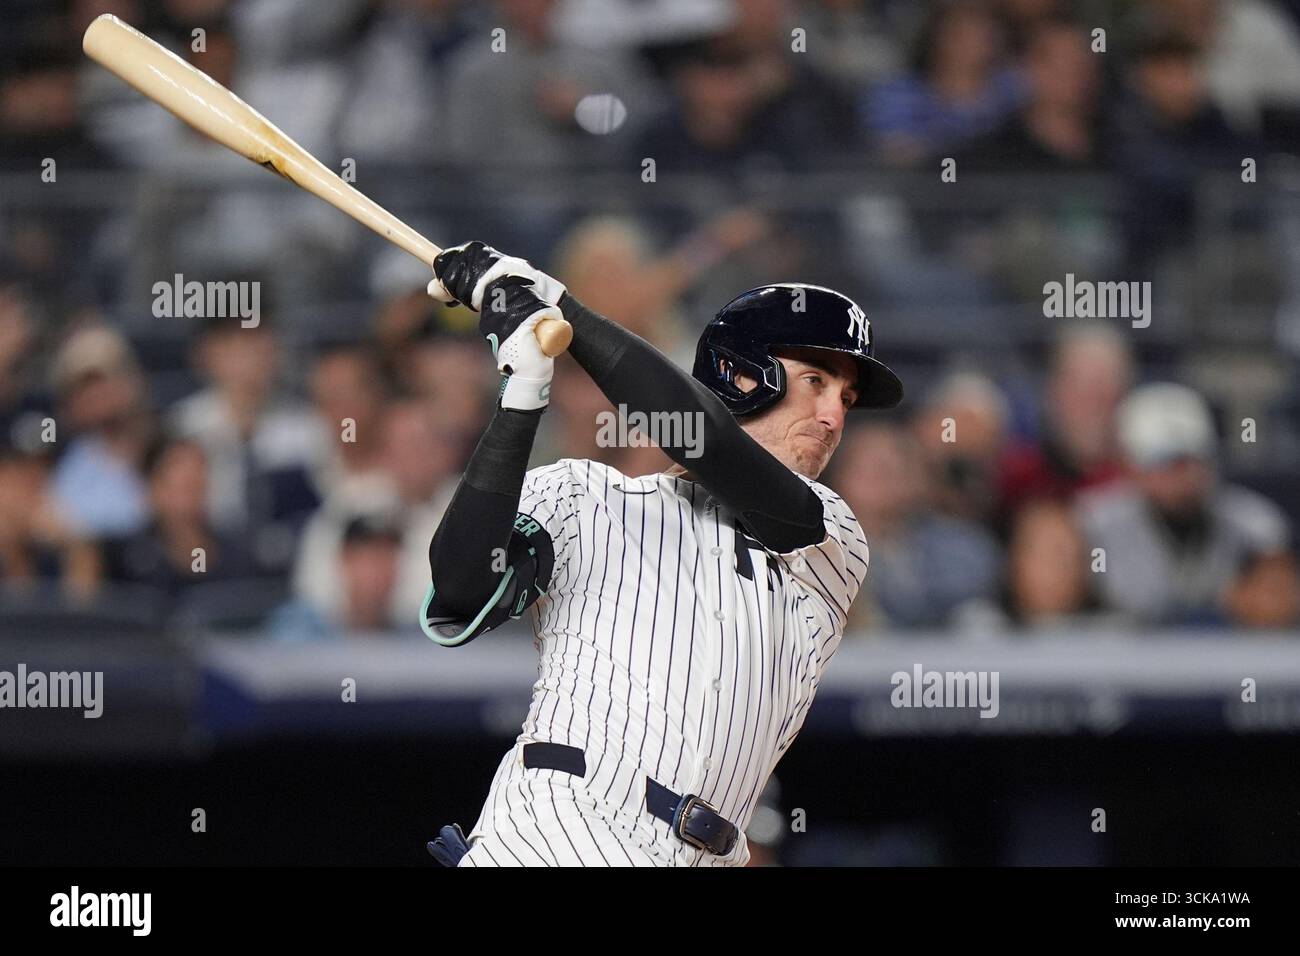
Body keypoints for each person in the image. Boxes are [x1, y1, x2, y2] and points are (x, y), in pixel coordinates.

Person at [420, 240, 902, 867]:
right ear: (741, 374)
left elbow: (703, 438)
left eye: (847, 398)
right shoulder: (582, 493)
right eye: (815, 381)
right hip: (553, 836)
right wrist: (522, 396)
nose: (834, 416)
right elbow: (461, 585)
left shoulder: (831, 538)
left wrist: (557, 303)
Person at [1076, 383, 1291, 625]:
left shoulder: (1255, 527)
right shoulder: (1092, 524)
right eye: (1164, 463)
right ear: (1130, 464)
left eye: (1191, 460)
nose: (1182, 476)